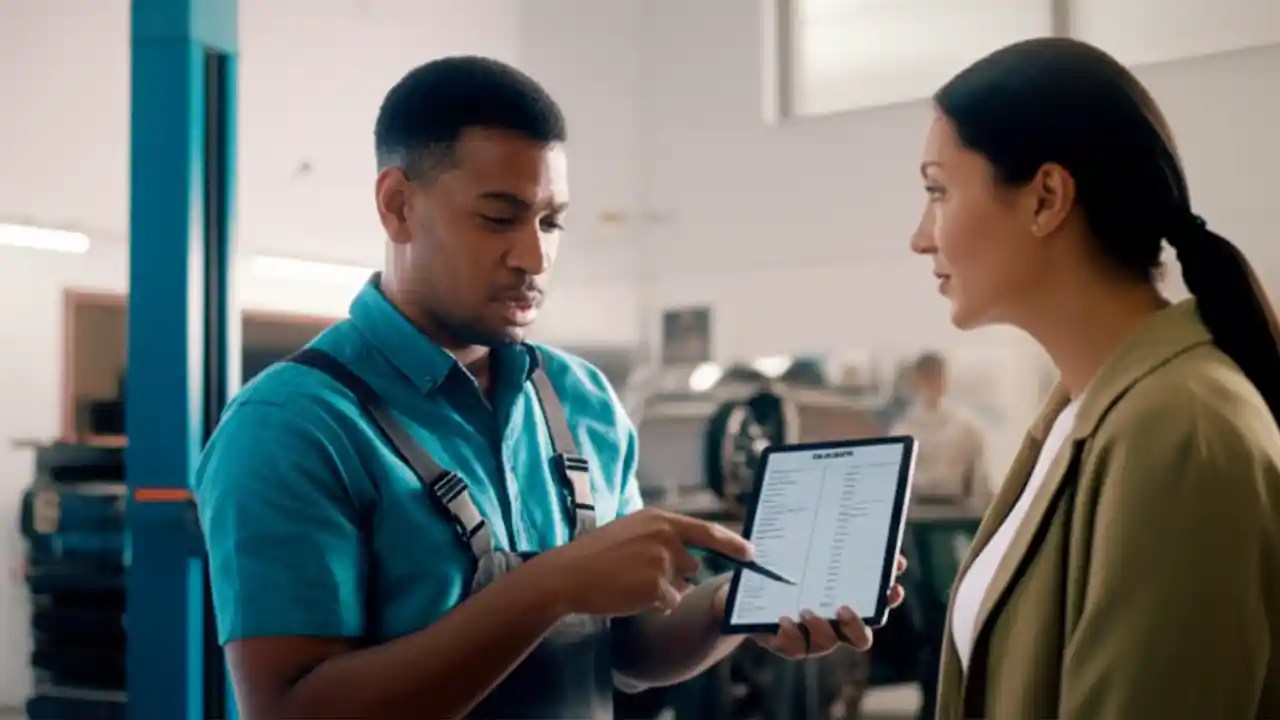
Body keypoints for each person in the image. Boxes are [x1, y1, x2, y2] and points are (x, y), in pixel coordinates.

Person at [194, 56, 902, 720]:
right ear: (398, 206)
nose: (533, 256)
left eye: (551, 220)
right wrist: (553, 585)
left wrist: (732, 606)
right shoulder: (293, 425)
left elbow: (629, 652)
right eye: (498, 218)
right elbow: (290, 708)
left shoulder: (578, 399)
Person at [909, 37, 1280, 719]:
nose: (921, 237)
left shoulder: (1179, 429)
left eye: (937, 191)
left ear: (1046, 197)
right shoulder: (1085, 417)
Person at [891, 352, 992, 515]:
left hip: (956, 512)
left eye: (937, 376)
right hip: (916, 513)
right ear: (917, 380)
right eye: (928, 377)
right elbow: (896, 483)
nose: (934, 383)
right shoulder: (903, 432)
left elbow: (979, 480)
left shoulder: (965, 428)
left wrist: (979, 517)